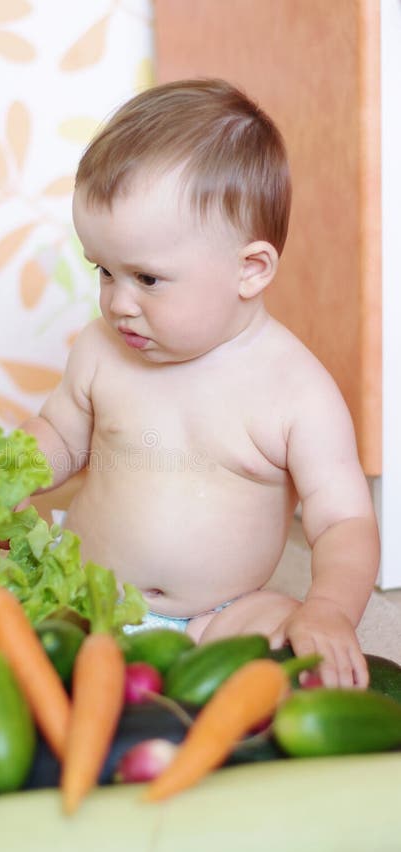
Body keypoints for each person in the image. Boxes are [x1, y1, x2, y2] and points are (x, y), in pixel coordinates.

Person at [20, 78, 380, 688]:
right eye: (104, 270)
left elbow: (343, 520)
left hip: (218, 616)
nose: (119, 303)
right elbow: (57, 433)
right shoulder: (102, 350)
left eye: (148, 279)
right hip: (80, 591)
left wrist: (329, 609)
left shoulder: (297, 392)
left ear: (250, 270)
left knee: (284, 642)